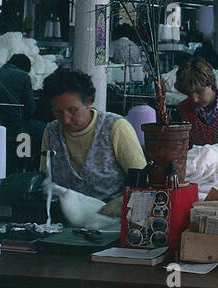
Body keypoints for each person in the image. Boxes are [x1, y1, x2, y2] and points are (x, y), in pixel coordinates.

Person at [40, 67, 145, 206]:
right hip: (64, 219)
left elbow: (142, 181)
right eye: (58, 112)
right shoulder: (51, 132)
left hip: (111, 219)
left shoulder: (115, 127)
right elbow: (44, 179)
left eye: (72, 110)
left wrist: (122, 203)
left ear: (88, 102)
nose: (65, 119)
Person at [0, 54, 35, 132]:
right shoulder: (24, 76)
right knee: (44, 129)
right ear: (24, 68)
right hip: (12, 125)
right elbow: (30, 108)